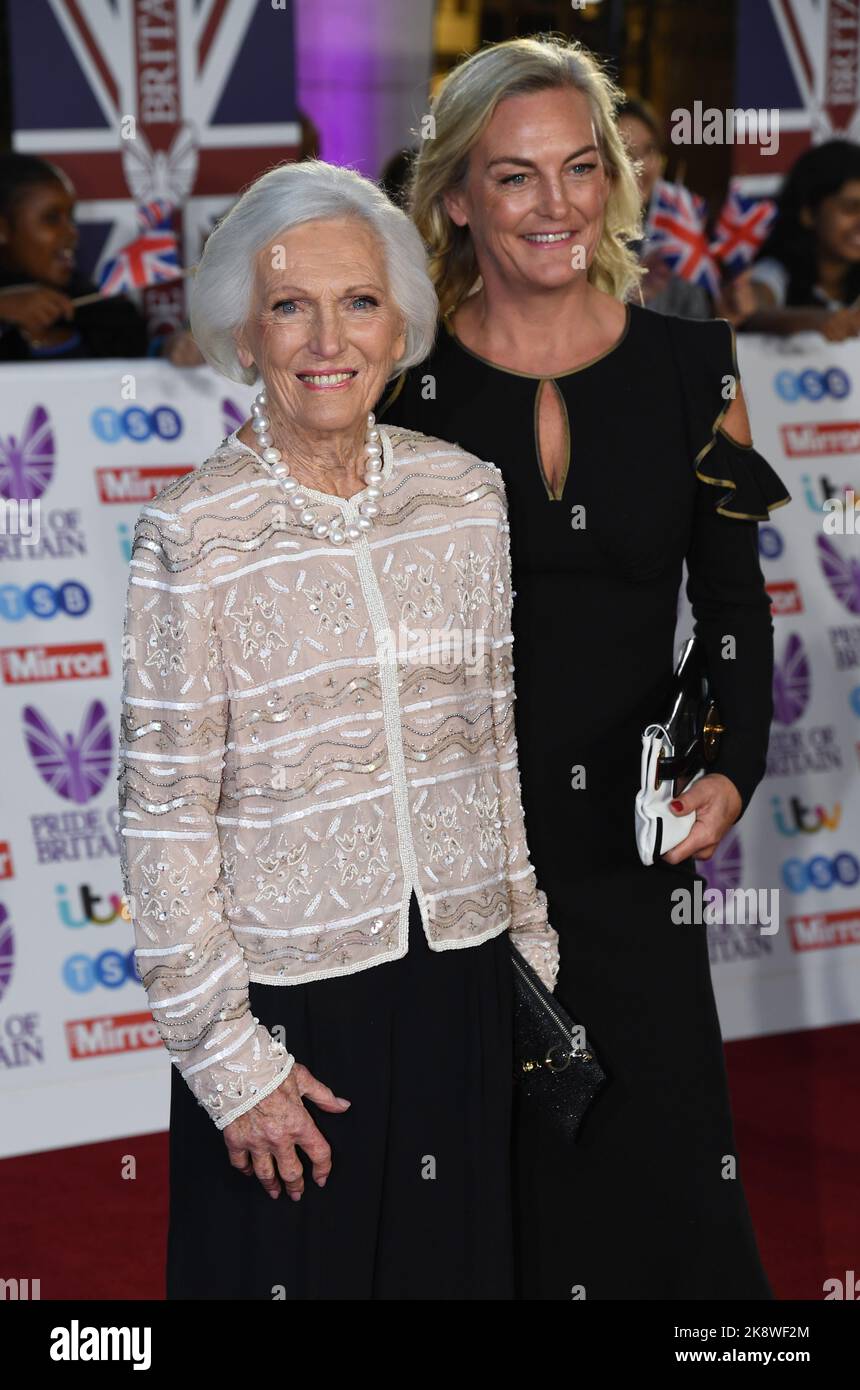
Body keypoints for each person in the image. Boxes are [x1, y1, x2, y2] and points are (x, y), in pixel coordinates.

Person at [382, 35, 789, 1300]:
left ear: (613, 180)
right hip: (458, 838)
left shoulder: (692, 370)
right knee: (484, 1161)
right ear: (455, 195)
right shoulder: (402, 384)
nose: (554, 205)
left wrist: (727, 770)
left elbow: (732, 610)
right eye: (514, 177)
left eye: (579, 168)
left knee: (664, 1153)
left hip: (634, 831)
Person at [118, 158, 559, 1300]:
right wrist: (227, 1058)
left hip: (457, 978)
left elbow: (490, 740)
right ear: (242, 329)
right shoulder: (192, 534)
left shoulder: (464, 495)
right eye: (289, 305)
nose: (327, 338)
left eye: (357, 301)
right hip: (290, 1007)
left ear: (400, 320)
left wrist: (527, 947)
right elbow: (162, 817)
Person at [0, 154, 149, 360]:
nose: (72, 233)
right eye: (52, 218)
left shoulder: (107, 314)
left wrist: (173, 348)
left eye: (70, 217)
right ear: (3, 229)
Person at [740, 139, 860, 339]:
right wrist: (816, 322)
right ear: (808, 213)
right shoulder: (776, 271)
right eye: (850, 208)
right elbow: (753, 311)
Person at [616, 97, 711, 319]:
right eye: (625, 153)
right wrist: (627, 297)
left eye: (648, 151)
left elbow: (699, 319)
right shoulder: (582, 240)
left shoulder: (677, 228)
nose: (640, 167)